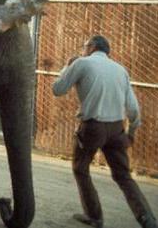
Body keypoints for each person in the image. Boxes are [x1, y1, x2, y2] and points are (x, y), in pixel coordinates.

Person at [53, 35, 156, 228]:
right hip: (117, 128)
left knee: (80, 168)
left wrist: (67, 66)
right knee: (123, 175)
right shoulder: (120, 70)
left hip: (92, 127)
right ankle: (147, 218)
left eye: (84, 46)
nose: (82, 50)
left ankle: (95, 216)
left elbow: (58, 89)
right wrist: (131, 132)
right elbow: (133, 108)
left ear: (91, 47)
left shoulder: (81, 63)